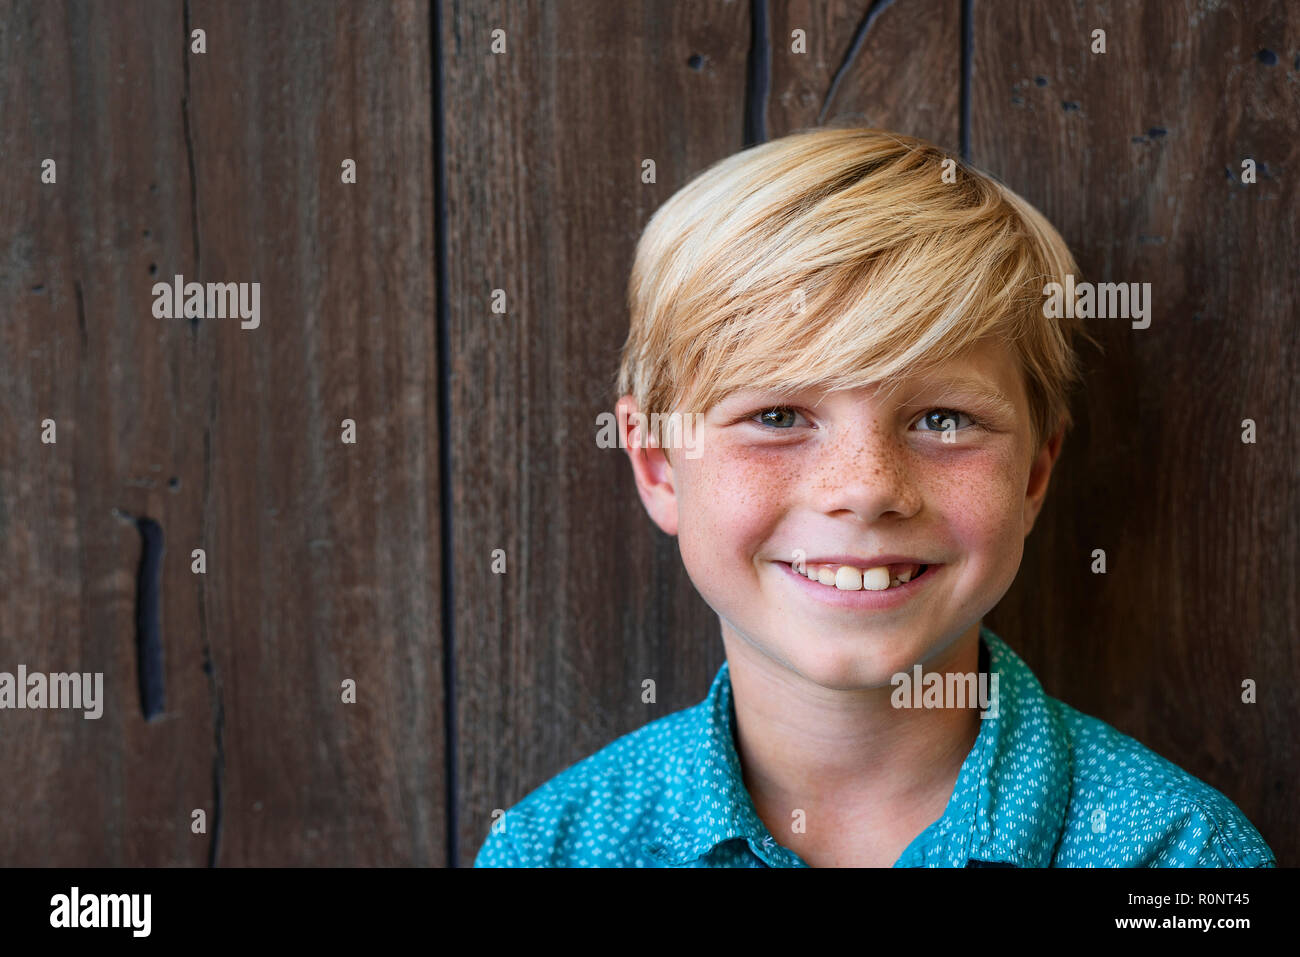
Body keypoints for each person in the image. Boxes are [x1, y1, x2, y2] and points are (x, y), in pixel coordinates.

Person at [474, 127, 1275, 867]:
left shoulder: (1181, 859)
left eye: (942, 418)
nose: (865, 488)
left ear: (1035, 475)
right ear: (656, 464)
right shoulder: (553, 849)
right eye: (777, 416)